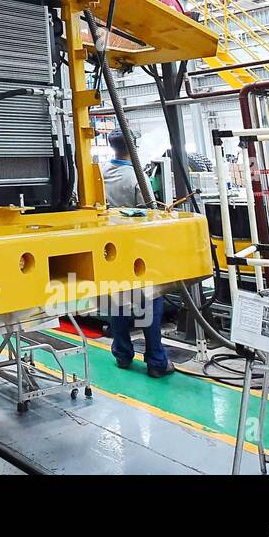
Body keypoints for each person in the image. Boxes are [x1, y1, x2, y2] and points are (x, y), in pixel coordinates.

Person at [100, 130, 173, 379]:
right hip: (138, 246)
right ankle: (156, 361)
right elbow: (150, 212)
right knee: (150, 300)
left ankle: (122, 354)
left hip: (109, 247)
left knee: (117, 298)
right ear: (133, 147)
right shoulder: (136, 176)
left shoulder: (99, 172)